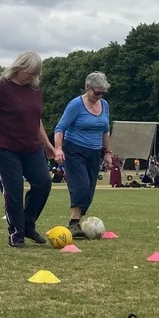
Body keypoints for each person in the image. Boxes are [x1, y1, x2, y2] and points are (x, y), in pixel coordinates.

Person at [0, 51, 55, 248]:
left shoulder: (35, 89)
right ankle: (16, 234)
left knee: (43, 183)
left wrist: (47, 144)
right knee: (13, 189)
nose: (33, 77)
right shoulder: (1, 88)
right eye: (29, 73)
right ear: (19, 68)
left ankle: (28, 224)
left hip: (31, 145)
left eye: (36, 74)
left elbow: (36, 119)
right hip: (3, 145)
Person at [53, 72, 113, 239]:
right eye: (97, 92)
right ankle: (73, 223)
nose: (99, 96)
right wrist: (58, 149)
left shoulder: (105, 105)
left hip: (94, 152)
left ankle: (76, 222)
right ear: (88, 87)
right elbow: (60, 128)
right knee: (81, 185)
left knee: (90, 190)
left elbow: (105, 131)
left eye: (103, 93)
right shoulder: (75, 105)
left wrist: (107, 153)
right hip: (74, 149)